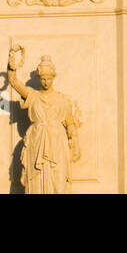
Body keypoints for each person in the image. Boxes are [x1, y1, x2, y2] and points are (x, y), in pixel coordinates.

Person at [6, 51, 80, 193]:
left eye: (49, 79)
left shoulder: (62, 100)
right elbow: (14, 82)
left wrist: (75, 143)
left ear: (53, 77)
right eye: (43, 79)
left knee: (58, 181)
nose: (46, 82)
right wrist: (12, 67)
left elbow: (70, 123)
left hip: (57, 143)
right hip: (36, 141)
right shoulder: (33, 96)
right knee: (36, 180)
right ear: (40, 78)